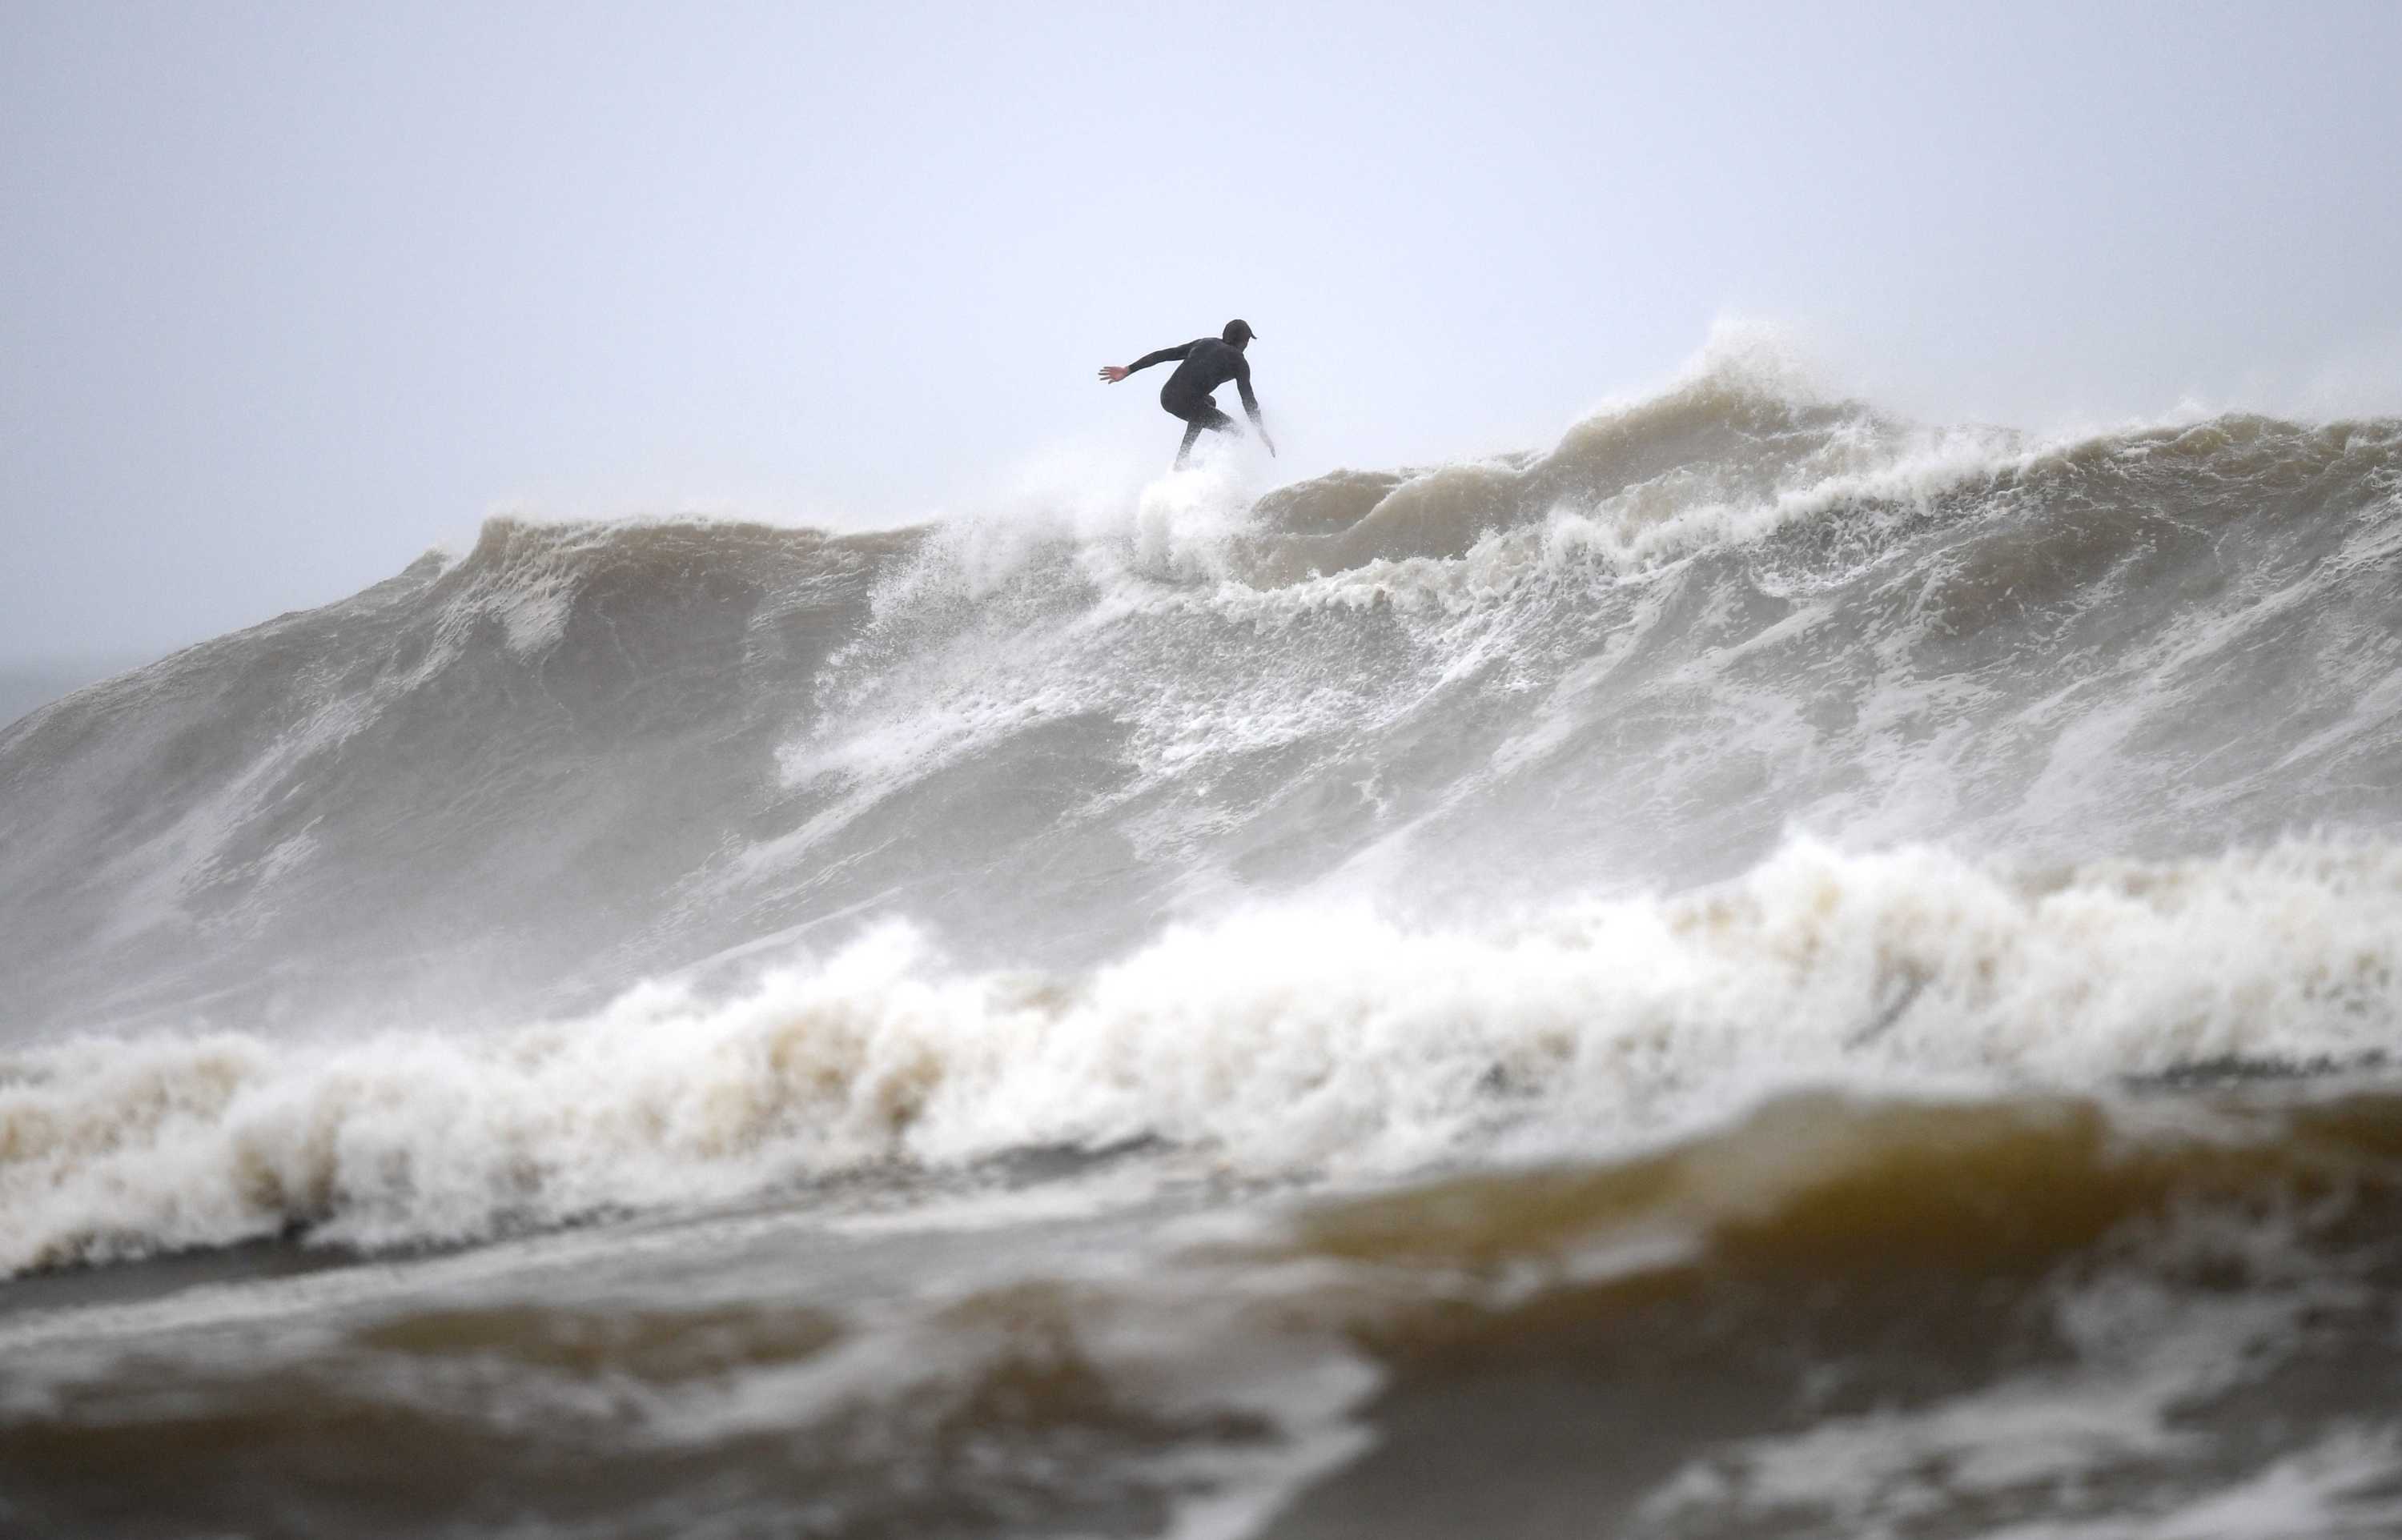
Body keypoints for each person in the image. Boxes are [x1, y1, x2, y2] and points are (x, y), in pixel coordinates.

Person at [1099, 319, 1276, 467]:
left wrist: (1128, 370)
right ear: (1244, 341)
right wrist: (1261, 430)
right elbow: (1248, 399)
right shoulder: (1240, 363)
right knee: (1235, 431)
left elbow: (1164, 355)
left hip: (1167, 396)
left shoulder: (1205, 343)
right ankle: (1191, 461)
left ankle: (1187, 457)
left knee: (1209, 403)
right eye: (1247, 341)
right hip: (1186, 403)